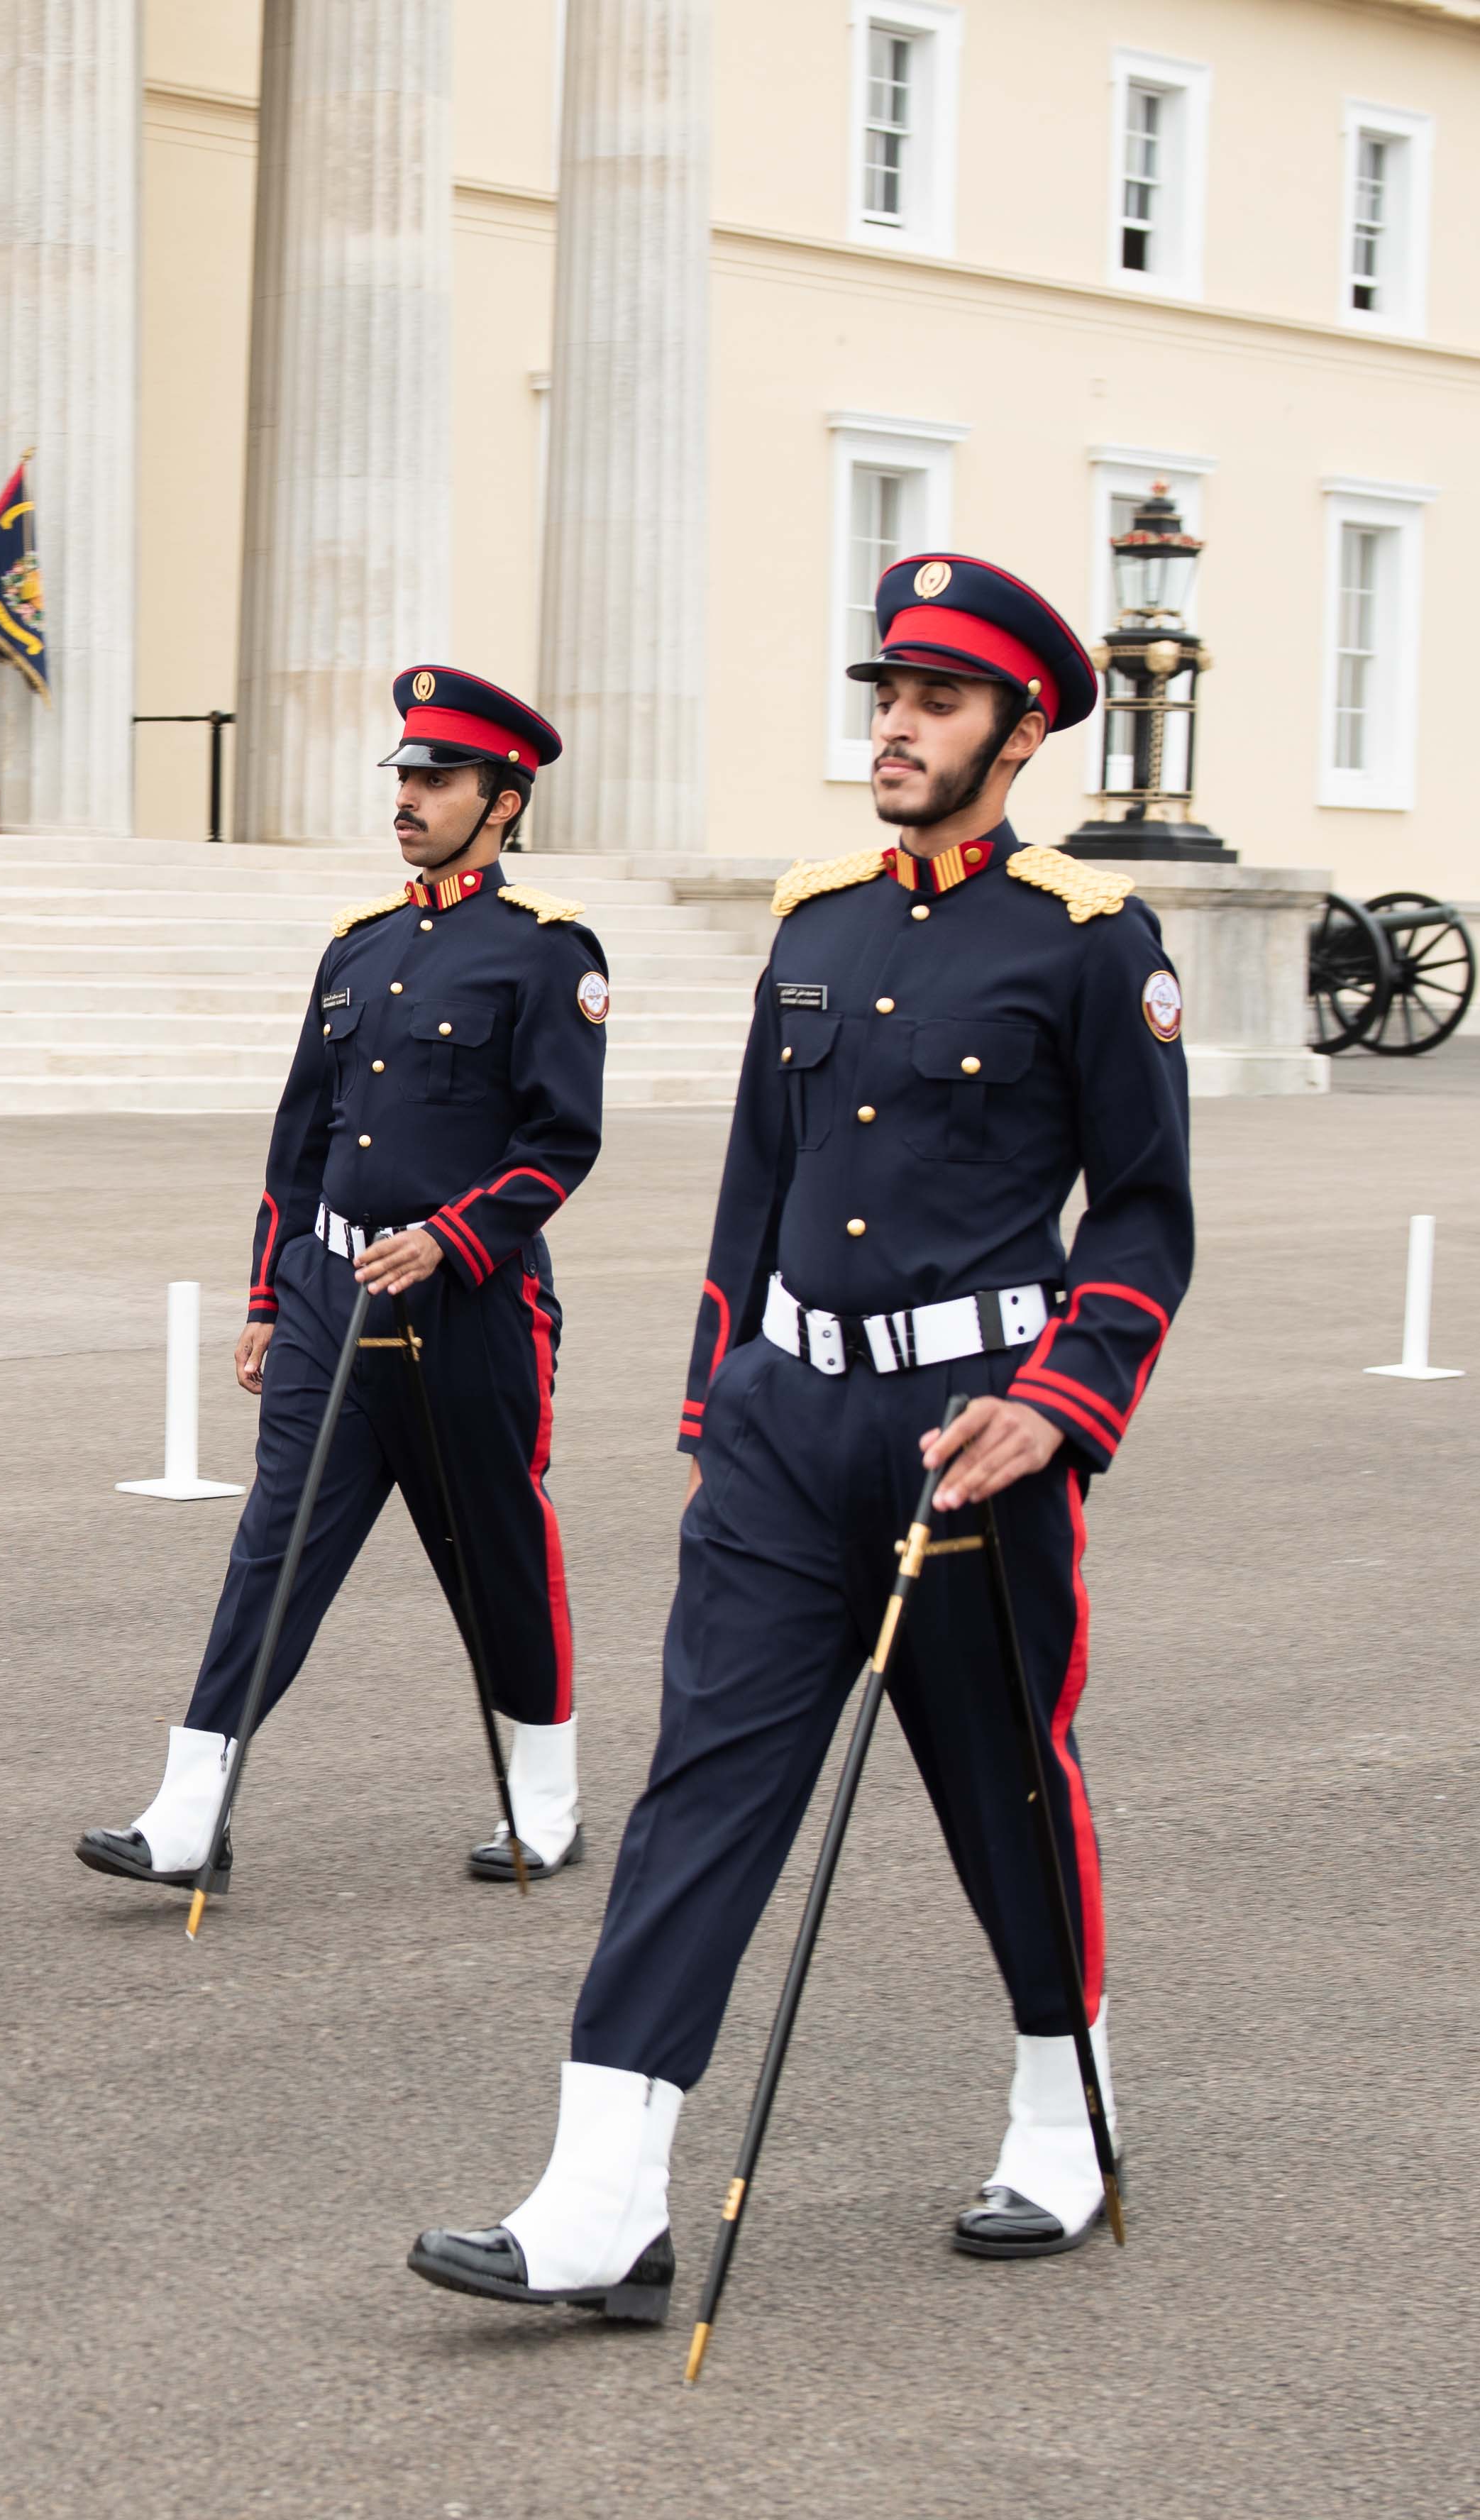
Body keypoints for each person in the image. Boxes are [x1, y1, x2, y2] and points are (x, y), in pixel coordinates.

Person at [407, 554, 1193, 2318]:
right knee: (703, 1793)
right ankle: (600, 2196)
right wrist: (714, 1403)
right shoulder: (817, 915)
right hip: (781, 1423)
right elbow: (757, 1180)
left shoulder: (1085, 945)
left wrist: (1059, 1406)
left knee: (1000, 1785)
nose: (892, 726)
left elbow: (1144, 1216)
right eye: (885, 695)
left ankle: (1063, 2119)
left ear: (1018, 729)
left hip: (968, 1433)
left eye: (932, 702)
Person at [79, 665, 606, 1892]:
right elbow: (299, 1135)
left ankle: (543, 1794)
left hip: (467, 1306)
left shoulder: (544, 954)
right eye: (406, 776)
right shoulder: (358, 948)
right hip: (328, 1295)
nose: (410, 797)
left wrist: (455, 1239)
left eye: (438, 779)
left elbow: (558, 1145)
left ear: (504, 800)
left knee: (493, 1551)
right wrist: (268, 1294)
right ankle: (189, 1810)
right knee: (274, 1544)